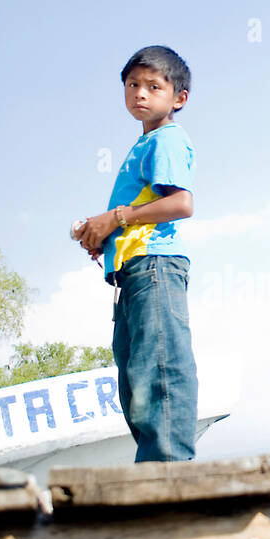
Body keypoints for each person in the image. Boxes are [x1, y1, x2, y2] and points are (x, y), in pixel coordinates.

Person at [76, 45, 199, 462]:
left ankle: (168, 469)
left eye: (153, 86)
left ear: (178, 98)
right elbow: (139, 212)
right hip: (132, 272)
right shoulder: (143, 145)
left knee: (159, 367)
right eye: (132, 85)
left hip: (156, 268)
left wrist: (116, 218)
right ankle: (153, 463)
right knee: (133, 377)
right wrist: (101, 235)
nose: (140, 94)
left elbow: (181, 203)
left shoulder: (166, 139)